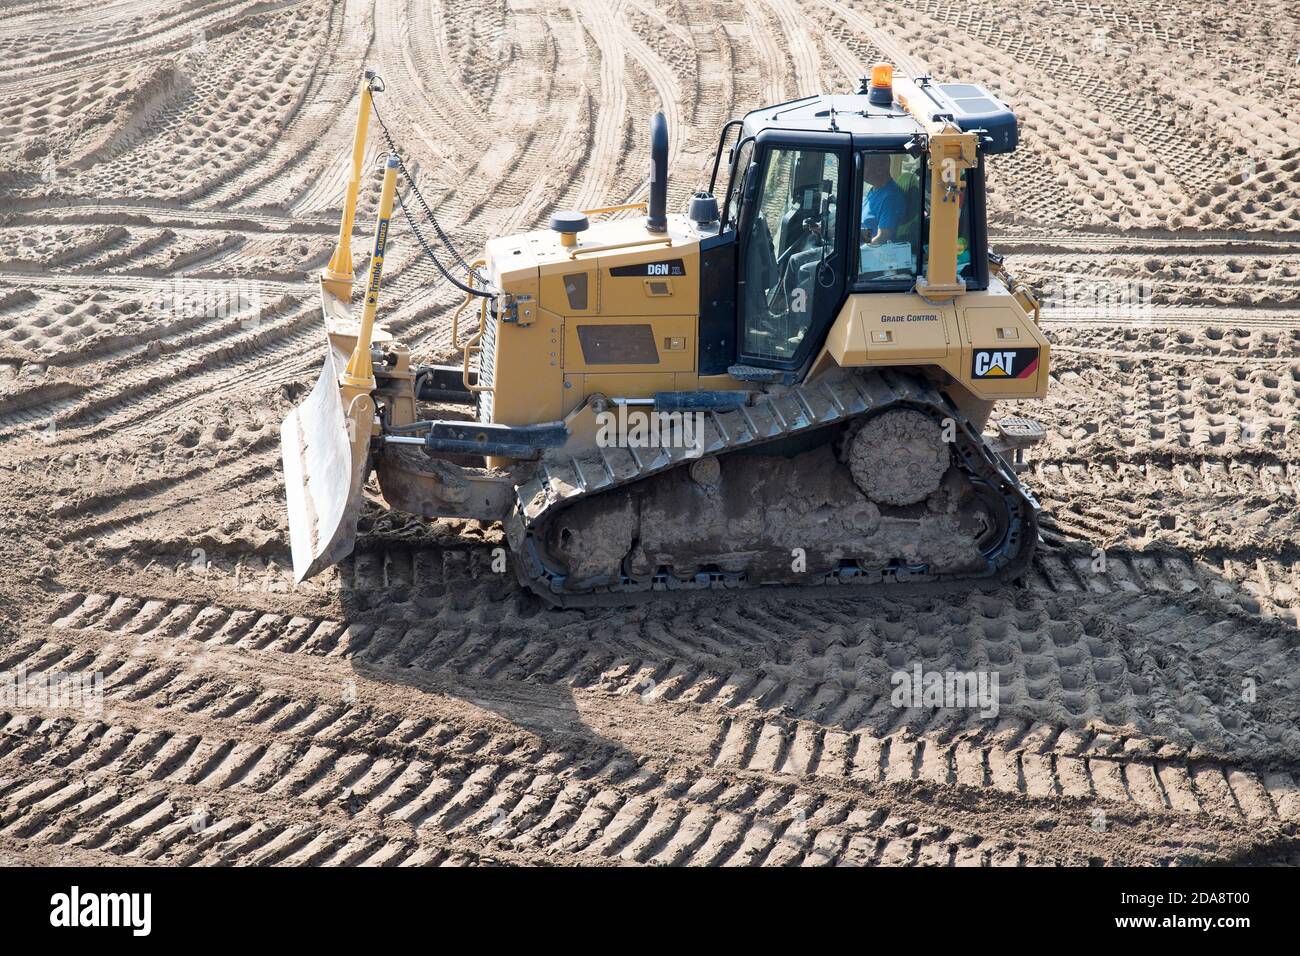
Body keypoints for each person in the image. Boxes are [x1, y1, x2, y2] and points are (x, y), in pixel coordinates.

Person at [860, 153, 904, 245]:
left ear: (880, 169)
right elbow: (870, 231)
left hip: (872, 255)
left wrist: (855, 249)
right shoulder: (874, 189)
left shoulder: (890, 197)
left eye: (865, 165)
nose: (860, 169)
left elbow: (882, 238)